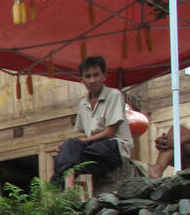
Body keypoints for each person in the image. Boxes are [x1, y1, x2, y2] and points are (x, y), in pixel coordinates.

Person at [53, 56, 134, 191]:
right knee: (67, 152)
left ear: (104, 76)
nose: (92, 80)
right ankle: (67, 191)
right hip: (96, 149)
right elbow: (87, 134)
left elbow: (110, 132)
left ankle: (65, 189)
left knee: (71, 145)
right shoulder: (83, 104)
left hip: (115, 147)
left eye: (96, 75)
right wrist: (73, 146)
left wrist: (79, 143)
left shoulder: (114, 95)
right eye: (88, 76)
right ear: (82, 80)